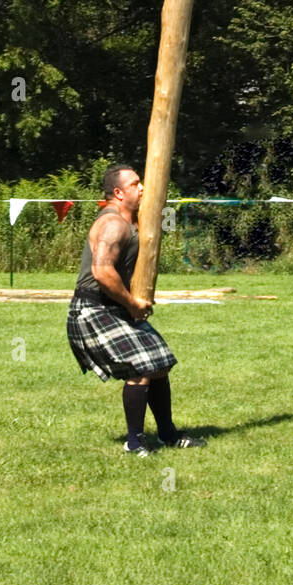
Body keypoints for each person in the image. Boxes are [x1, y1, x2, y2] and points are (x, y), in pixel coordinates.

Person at [67, 163, 206, 457]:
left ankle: (167, 434)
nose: (141, 187)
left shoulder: (131, 221)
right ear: (118, 192)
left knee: (159, 364)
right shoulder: (111, 224)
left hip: (112, 306)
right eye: (134, 184)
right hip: (92, 308)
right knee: (141, 366)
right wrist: (132, 303)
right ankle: (134, 442)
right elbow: (102, 271)